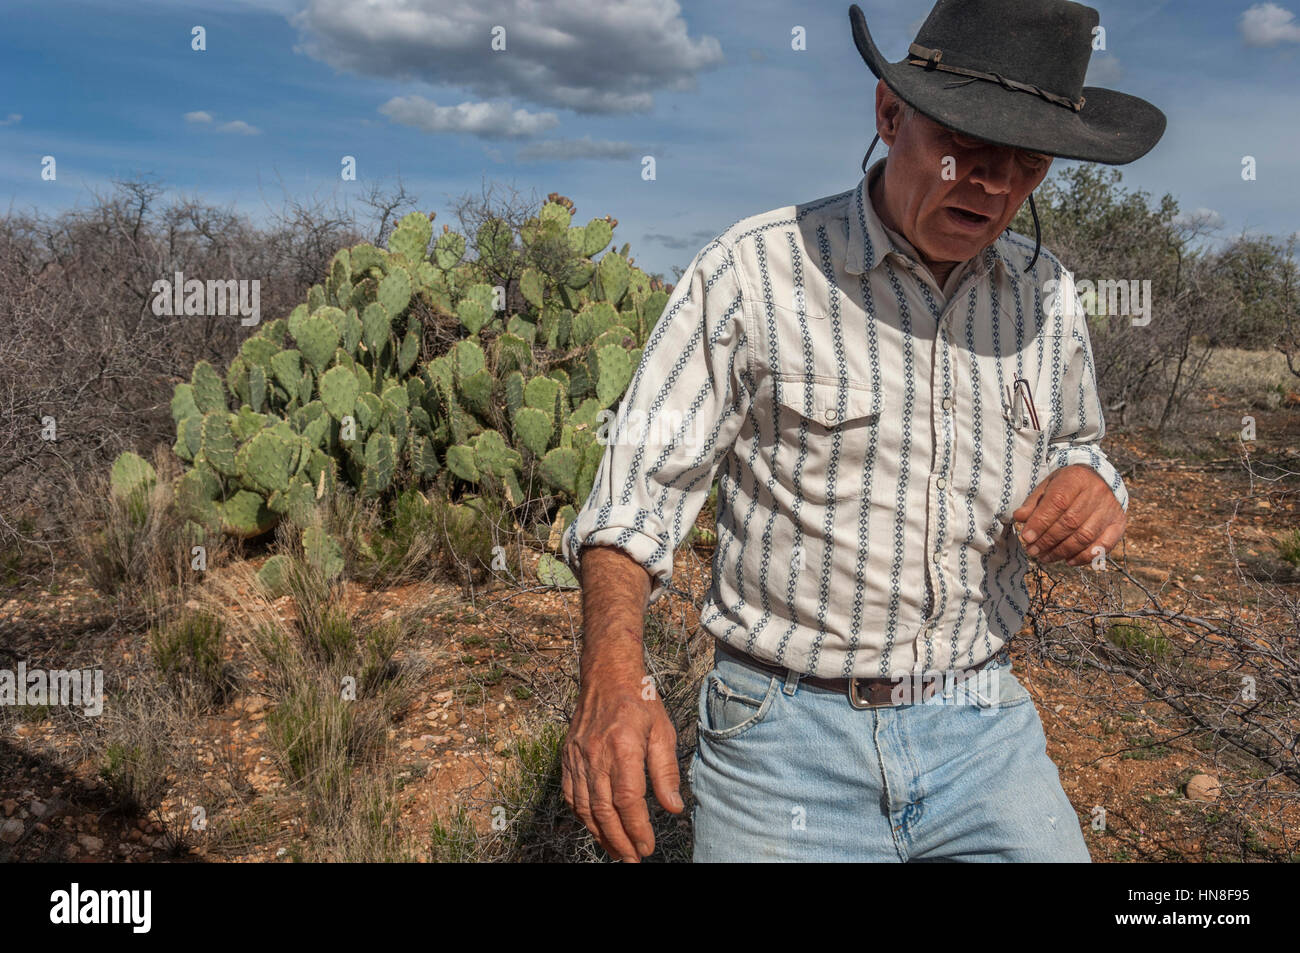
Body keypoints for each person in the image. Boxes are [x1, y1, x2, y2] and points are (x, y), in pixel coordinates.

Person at [559, 0, 1166, 862]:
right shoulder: (755, 272)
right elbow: (634, 498)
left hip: (980, 722)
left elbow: (1076, 439)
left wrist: (1095, 483)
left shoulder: (1046, 293)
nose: (993, 184)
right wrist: (613, 679)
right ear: (889, 115)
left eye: (1026, 163)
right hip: (782, 739)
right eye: (969, 147)